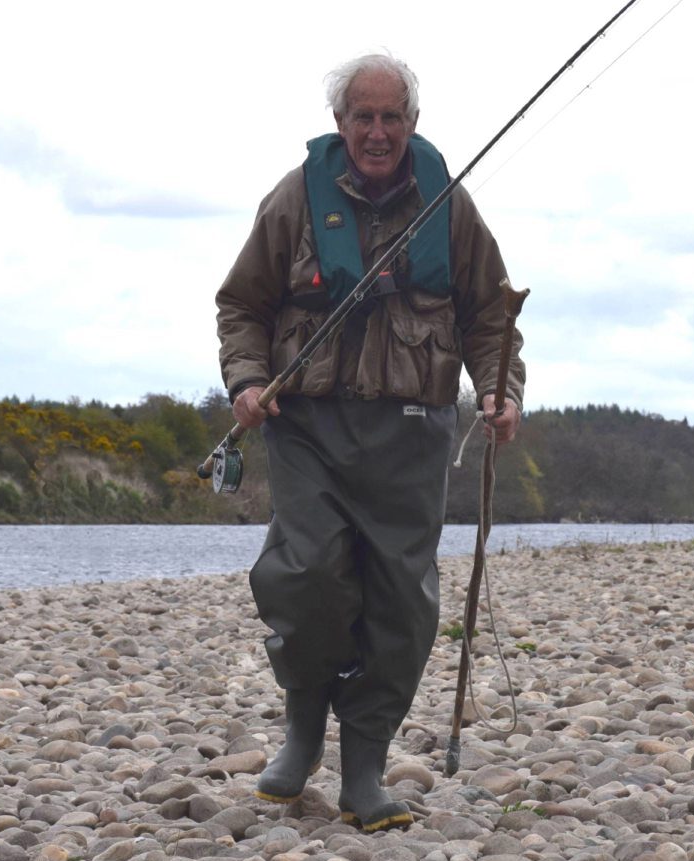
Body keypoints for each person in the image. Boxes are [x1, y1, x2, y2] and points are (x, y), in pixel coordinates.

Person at [214, 51, 524, 833]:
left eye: (392, 118)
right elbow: (241, 303)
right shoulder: (293, 200)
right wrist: (248, 379)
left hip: (413, 433)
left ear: (412, 124)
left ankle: (365, 766)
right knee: (306, 573)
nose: (378, 132)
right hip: (308, 429)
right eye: (363, 118)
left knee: (402, 603)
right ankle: (300, 731)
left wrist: (498, 391)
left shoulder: (450, 207)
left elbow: (490, 315)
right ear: (339, 124)